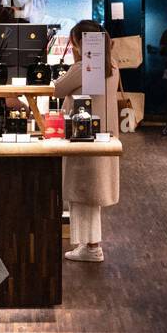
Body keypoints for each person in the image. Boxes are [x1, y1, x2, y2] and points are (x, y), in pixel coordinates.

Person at [54, 20, 122, 262]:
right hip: (105, 136)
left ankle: (91, 247)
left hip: (83, 136)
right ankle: (90, 245)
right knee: (92, 194)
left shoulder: (84, 67)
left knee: (83, 193)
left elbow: (58, 89)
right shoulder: (111, 65)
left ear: (80, 42)